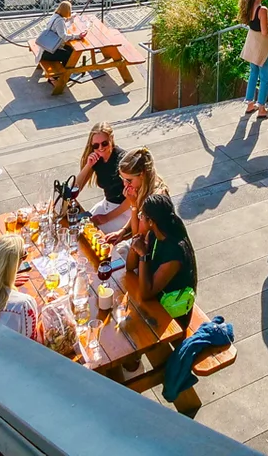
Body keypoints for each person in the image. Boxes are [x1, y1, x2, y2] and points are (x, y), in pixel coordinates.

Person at [129, 191, 200, 326]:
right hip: (158, 297)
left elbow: (146, 294)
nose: (139, 219)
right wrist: (138, 240)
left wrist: (143, 255)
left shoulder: (174, 252)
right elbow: (129, 267)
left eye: (141, 216)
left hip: (173, 311)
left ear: (151, 221)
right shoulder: (154, 234)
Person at [97, 148, 162, 243]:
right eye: (122, 179)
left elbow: (137, 237)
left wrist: (134, 205)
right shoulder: (142, 186)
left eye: (129, 180)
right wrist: (123, 231)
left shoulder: (153, 201)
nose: (125, 184)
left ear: (142, 175)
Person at [238, 0, 268, 120]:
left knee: (253, 74)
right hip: (262, 46)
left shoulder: (248, 8)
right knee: (265, 78)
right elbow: (265, 32)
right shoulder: (263, 10)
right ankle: (262, 108)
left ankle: (249, 104)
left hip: (252, 44)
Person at [77, 121, 125, 207]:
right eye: (96, 145)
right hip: (108, 204)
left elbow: (132, 199)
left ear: (112, 138)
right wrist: (88, 166)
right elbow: (76, 188)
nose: (100, 148)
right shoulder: (96, 159)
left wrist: (107, 218)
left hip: (124, 208)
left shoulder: (122, 160)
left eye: (104, 143)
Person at [32, 0, 85, 66]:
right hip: (48, 51)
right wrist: (78, 36)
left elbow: (61, 21)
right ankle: (64, 74)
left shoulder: (55, 16)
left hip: (45, 47)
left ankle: (65, 70)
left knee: (70, 49)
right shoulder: (60, 21)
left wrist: (70, 17)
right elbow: (64, 36)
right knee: (69, 55)